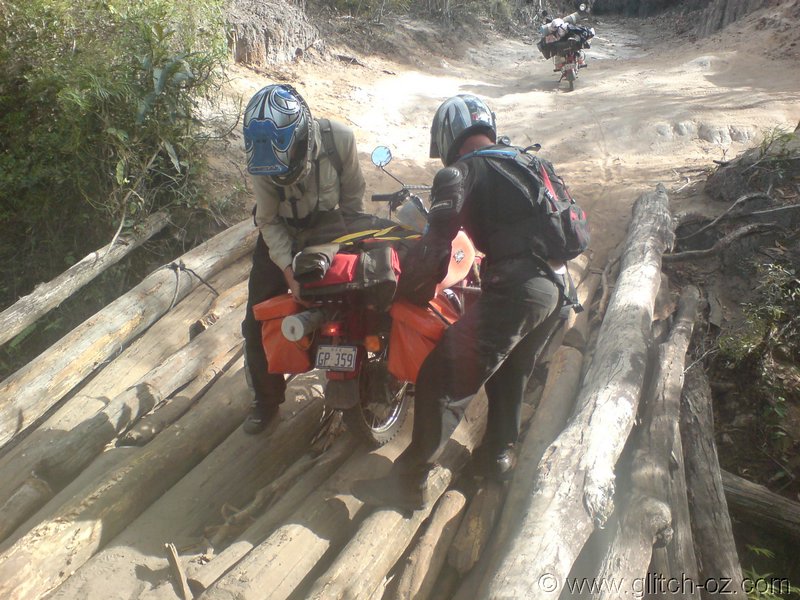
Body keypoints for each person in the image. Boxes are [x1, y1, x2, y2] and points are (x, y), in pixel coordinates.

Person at [352, 94, 574, 511]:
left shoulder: (460, 172)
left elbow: (436, 248)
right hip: (560, 287)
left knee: (442, 378)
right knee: (509, 374)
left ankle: (407, 484)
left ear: (447, 138)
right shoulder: (524, 160)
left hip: (521, 289)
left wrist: (408, 289)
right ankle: (497, 460)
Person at [240, 83, 366, 434]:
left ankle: (365, 373)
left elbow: (353, 202)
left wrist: (341, 249)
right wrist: (287, 271)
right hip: (281, 231)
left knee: (355, 298)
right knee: (256, 321)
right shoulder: (261, 159)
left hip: (330, 228)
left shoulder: (340, 140)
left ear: (302, 138)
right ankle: (265, 400)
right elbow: (267, 219)